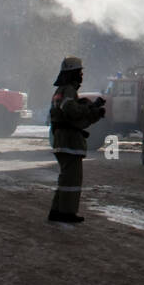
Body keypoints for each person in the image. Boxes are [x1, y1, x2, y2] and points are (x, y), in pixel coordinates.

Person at [47, 56, 106, 224]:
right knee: (72, 179)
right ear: (72, 73)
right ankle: (67, 213)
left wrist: (91, 109)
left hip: (63, 140)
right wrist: (91, 111)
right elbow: (71, 112)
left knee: (65, 178)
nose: (81, 75)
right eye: (79, 72)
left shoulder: (61, 90)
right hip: (69, 141)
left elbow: (71, 111)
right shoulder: (68, 90)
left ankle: (57, 210)